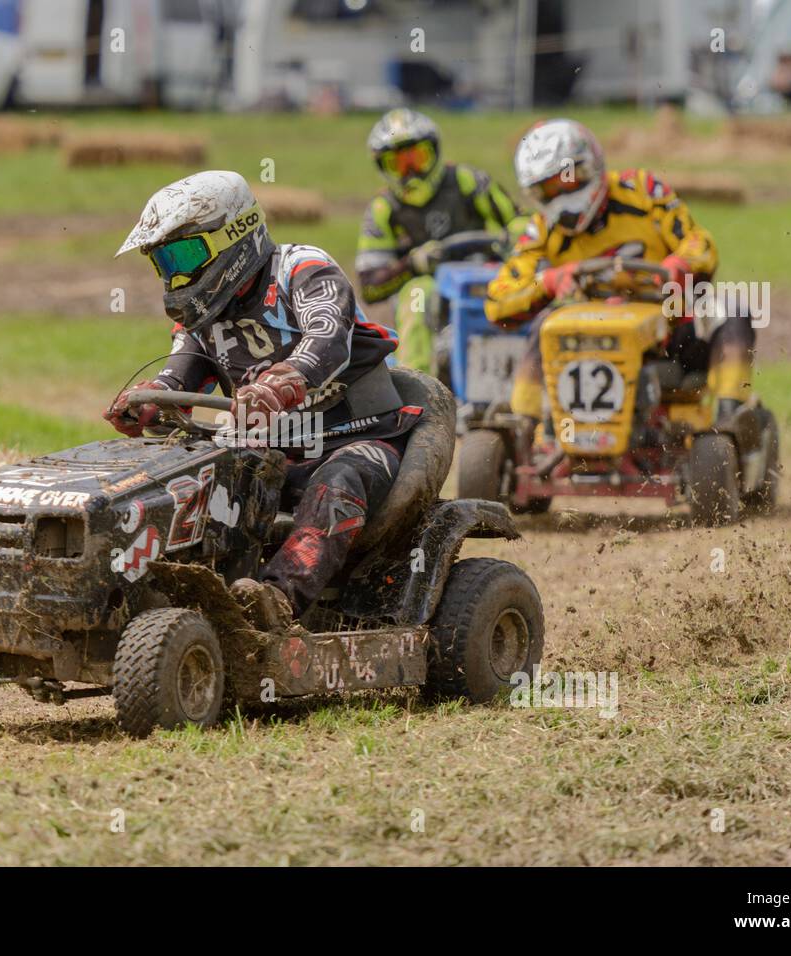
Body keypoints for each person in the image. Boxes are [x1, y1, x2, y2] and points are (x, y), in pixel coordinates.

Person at [105, 170, 421, 626]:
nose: (176, 273)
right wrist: (152, 401)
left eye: (186, 255)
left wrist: (288, 378)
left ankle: (274, 601)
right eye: (165, 262)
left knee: (338, 483)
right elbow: (181, 369)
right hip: (268, 451)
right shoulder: (205, 319)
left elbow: (329, 334)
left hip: (356, 439)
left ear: (233, 233)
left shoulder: (302, 269)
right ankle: (163, 596)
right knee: (183, 479)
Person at [485, 118, 753, 457]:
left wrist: (678, 265)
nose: (562, 196)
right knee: (544, 327)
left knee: (733, 310)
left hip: (667, 328)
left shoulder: (642, 191)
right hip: (582, 336)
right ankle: (522, 437)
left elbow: (700, 244)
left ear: (592, 165)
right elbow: (498, 300)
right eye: (548, 189)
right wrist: (549, 281)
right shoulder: (541, 231)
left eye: (567, 180)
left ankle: (729, 427)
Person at [355, 108, 525, 377]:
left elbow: (519, 222)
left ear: (434, 152)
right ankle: (419, 390)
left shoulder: (468, 181)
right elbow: (370, 286)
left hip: (486, 273)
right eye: (398, 164)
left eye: (417, 158)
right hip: (429, 287)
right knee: (418, 296)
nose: (410, 171)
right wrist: (413, 265)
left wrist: (511, 239)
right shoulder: (382, 209)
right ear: (382, 167)